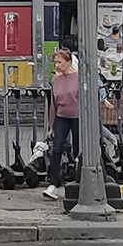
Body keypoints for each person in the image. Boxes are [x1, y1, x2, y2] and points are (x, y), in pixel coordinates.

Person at [43, 48, 79, 201]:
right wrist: (52, 126)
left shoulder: (79, 77)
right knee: (57, 149)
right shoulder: (56, 80)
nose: (56, 65)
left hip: (77, 117)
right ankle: (53, 185)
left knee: (78, 150)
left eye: (59, 62)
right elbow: (53, 104)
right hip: (61, 116)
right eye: (55, 62)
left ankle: (80, 183)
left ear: (68, 62)